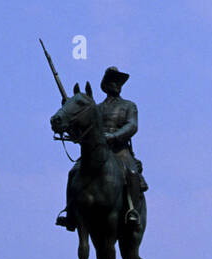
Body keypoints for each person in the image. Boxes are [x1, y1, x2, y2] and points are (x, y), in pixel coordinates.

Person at [55, 66, 147, 230]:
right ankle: (69, 213)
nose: (116, 85)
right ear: (105, 85)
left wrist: (113, 136)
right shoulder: (95, 108)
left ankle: (132, 211)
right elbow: (82, 131)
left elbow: (132, 126)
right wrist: (69, 118)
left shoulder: (129, 106)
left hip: (120, 149)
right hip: (97, 149)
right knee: (73, 172)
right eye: (113, 81)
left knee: (132, 173)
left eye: (119, 82)